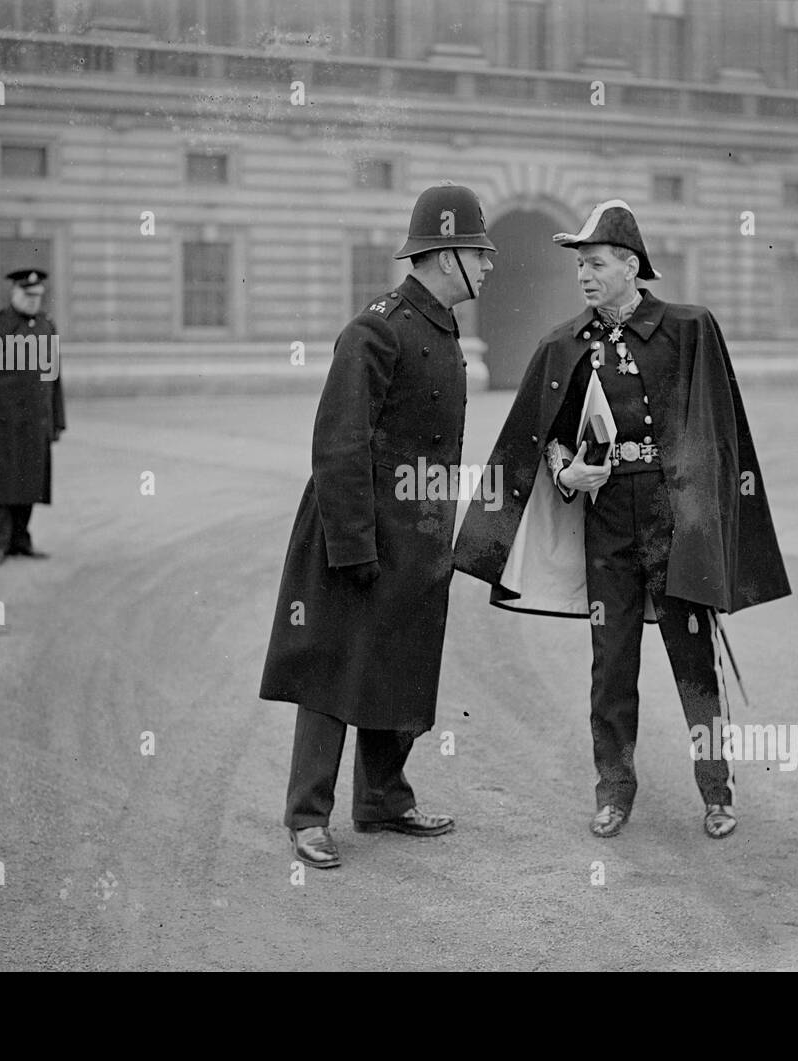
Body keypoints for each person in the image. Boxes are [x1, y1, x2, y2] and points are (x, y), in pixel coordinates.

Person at [454, 200, 791, 840]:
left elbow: (718, 438)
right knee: (611, 667)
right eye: (580, 264)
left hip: (674, 528)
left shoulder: (687, 330)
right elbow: (544, 440)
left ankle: (717, 791)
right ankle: (613, 792)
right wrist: (564, 471)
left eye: (597, 262)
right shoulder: (564, 345)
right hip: (607, 528)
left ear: (631, 266)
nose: (584, 274)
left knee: (693, 662)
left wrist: (707, 528)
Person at [260, 184, 496, 869]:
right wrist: (353, 546)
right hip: (356, 531)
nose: (487, 267)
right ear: (446, 252)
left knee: (403, 658)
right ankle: (308, 815)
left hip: (417, 532)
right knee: (332, 668)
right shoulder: (379, 327)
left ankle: (384, 799)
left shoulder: (443, 329)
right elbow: (339, 445)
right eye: (480, 253)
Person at [0, 268, 65, 565]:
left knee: (30, 482)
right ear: (15, 294)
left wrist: (57, 419)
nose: (33, 301)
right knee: (0, 484)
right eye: (27, 296)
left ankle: (21, 540)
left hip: (35, 421)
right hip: (1, 421)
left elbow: (54, 376)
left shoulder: (46, 326)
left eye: (38, 296)